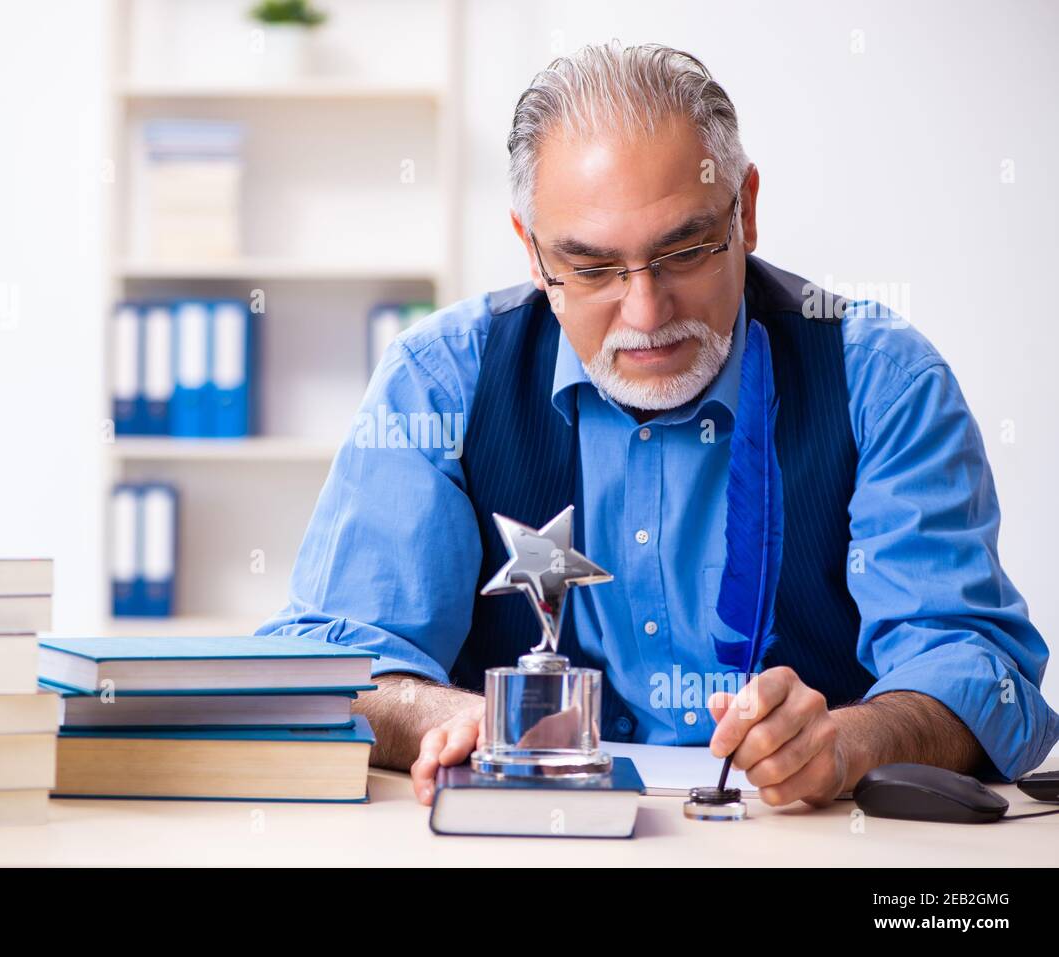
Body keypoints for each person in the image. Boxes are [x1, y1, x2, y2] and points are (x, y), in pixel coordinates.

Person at [256, 41, 1058, 809]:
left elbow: (975, 670)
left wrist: (853, 741)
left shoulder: (881, 380)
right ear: (531, 254)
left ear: (744, 210)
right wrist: (449, 718)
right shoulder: (438, 383)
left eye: (686, 251)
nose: (646, 312)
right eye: (595, 268)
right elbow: (333, 667)